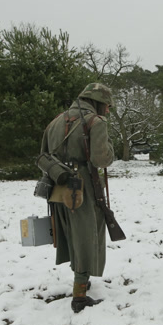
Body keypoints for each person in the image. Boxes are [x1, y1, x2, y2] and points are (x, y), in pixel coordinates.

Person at [38, 83, 115, 313]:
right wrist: (109, 147)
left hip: (58, 187)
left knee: (71, 235)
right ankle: (79, 296)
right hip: (82, 188)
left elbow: (43, 154)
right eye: (107, 106)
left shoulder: (55, 121)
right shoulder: (96, 122)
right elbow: (102, 159)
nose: (108, 111)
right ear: (97, 102)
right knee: (85, 236)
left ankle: (80, 280)